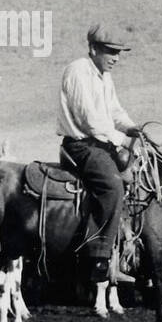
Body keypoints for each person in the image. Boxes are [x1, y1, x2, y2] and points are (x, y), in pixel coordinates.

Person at [57, 24, 142, 284]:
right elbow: (90, 121)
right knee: (113, 186)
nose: (116, 57)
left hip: (101, 143)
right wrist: (123, 140)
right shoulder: (78, 72)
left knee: (139, 175)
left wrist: (134, 129)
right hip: (81, 146)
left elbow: (114, 111)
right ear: (93, 49)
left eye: (119, 52)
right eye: (110, 51)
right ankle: (99, 259)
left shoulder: (104, 75)